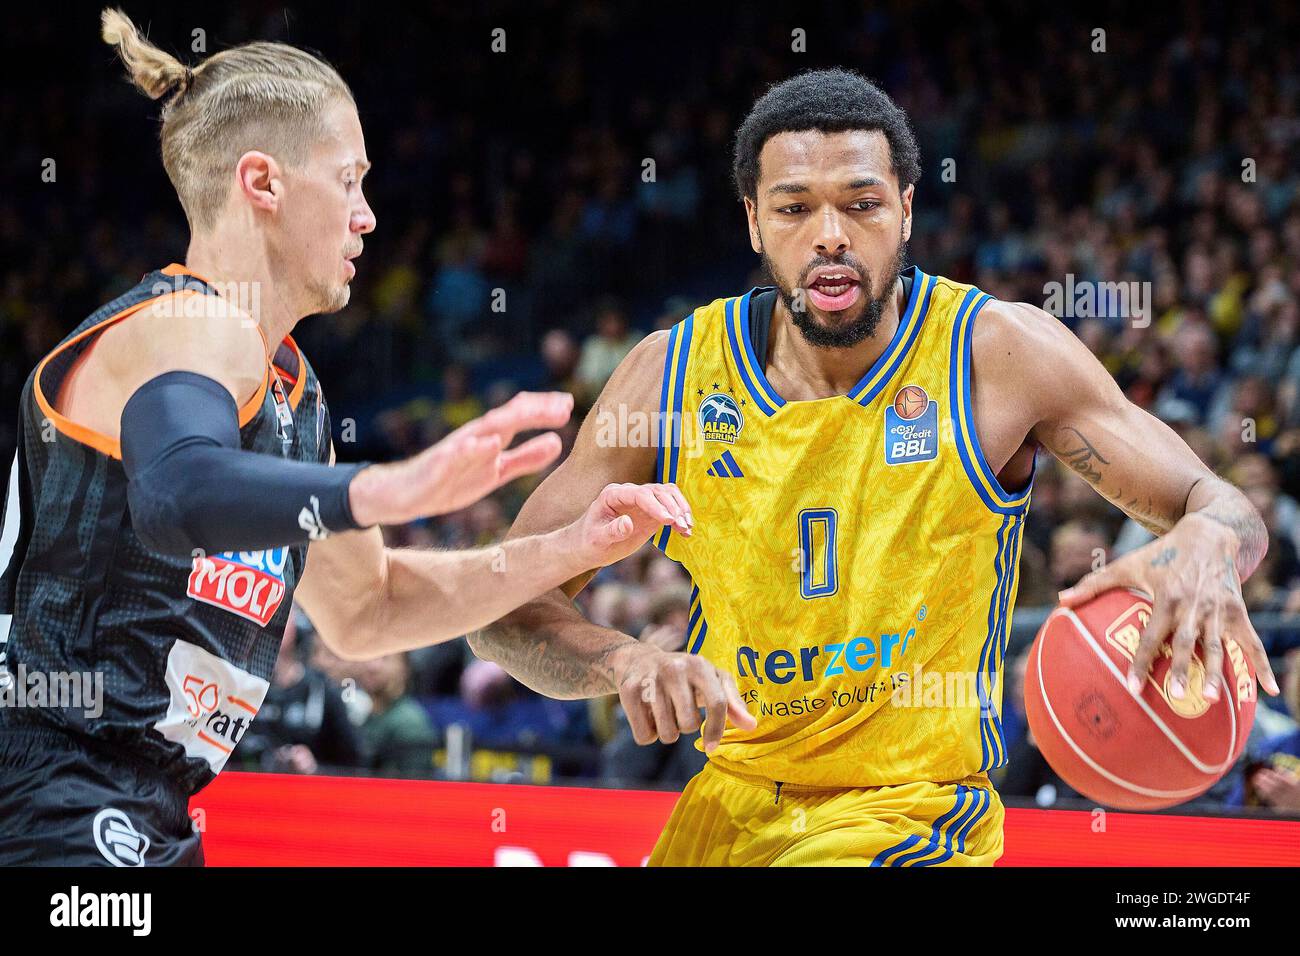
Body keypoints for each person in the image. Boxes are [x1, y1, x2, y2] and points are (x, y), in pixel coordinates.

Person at [470, 68, 1280, 866]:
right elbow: (498, 609)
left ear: (906, 211)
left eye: (861, 204)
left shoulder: (997, 355)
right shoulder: (671, 375)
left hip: (911, 815)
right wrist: (624, 661)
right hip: (728, 809)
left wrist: (1213, 541)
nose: (830, 235)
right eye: (794, 209)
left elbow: (1219, 503)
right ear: (753, 222)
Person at [0, 9, 690, 866]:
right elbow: (176, 490)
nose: (368, 216)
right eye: (350, 180)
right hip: (46, 796)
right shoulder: (184, 326)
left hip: (144, 811)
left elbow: (371, 608)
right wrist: (380, 490)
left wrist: (569, 548)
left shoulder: (294, 389)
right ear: (263, 182)